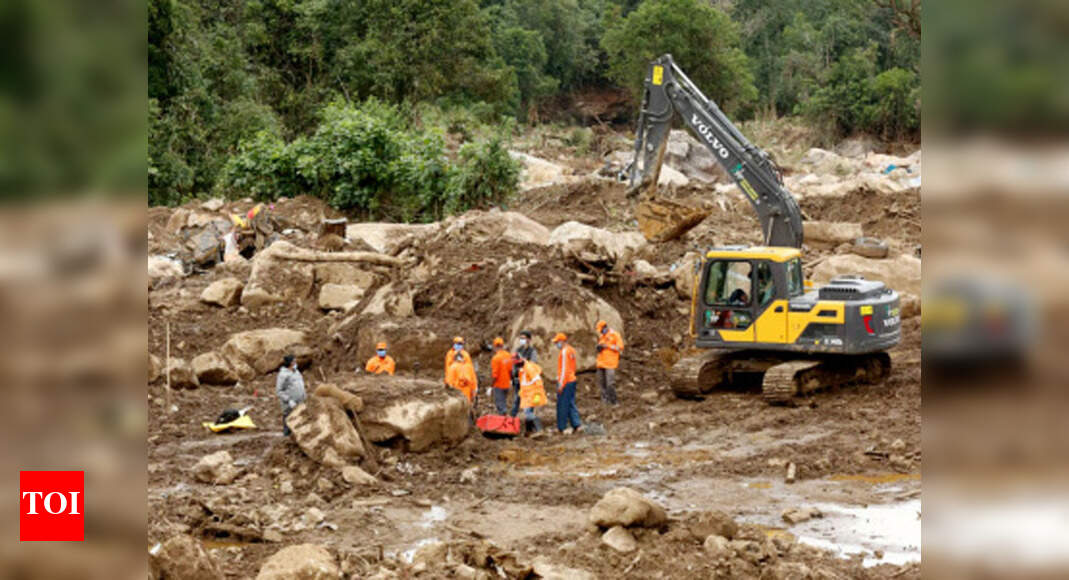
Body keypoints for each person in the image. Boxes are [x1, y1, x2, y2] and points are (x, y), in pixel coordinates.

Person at [553, 333, 583, 434]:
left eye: (557, 342)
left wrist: (561, 383)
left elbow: (564, 369)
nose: (556, 345)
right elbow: (573, 367)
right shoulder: (571, 350)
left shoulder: (565, 352)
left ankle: (561, 427)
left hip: (566, 381)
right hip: (571, 379)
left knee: (562, 404)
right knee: (570, 403)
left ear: (562, 341)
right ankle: (576, 424)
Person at [514, 356, 546, 436]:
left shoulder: (528, 368)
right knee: (528, 412)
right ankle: (529, 431)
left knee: (528, 413)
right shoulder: (523, 369)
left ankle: (539, 429)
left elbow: (538, 381)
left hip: (532, 394)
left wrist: (538, 395)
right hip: (527, 395)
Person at [509, 330, 539, 416]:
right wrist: (512, 377)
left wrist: (523, 363)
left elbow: (533, 364)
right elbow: (513, 364)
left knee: (528, 404)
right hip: (518, 380)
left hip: (528, 381)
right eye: (520, 338)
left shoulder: (532, 351)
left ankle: (530, 424)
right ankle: (511, 420)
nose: (521, 340)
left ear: (529, 340)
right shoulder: (518, 350)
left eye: (523, 338)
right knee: (516, 400)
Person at [275, 354, 306, 436]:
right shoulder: (283, 375)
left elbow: (300, 385)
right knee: (288, 423)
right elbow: (279, 391)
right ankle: (286, 438)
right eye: (294, 361)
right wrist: (289, 400)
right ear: (290, 363)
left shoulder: (296, 372)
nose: (296, 363)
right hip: (289, 405)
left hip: (299, 402)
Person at [595, 320, 624, 405]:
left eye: (601, 329)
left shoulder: (615, 335)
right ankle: (605, 402)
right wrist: (599, 348)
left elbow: (620, 347)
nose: (600, 331)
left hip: (610, 364)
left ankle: (614, 401)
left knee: (610, 384)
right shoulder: (602, 337)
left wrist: (608, 346)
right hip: (601, 363)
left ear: (605, 327)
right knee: (602, 385)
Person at [489, 337, 513, 414]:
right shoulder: (508, 356)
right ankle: (505, 420)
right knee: (503, 403)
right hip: (507, 384)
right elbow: (511, 370)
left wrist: (491, 386)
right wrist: (511, 380)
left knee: (501, 407)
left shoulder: (496, 358)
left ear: (495, 346)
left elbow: (495, 375)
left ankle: (504, 423)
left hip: (499, 385)